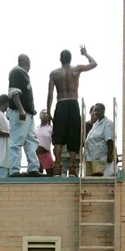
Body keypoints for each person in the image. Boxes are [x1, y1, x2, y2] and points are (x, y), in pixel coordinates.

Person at [47, 46, 96, 176]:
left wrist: (48, 111)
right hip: (73, 104)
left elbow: (50, 94)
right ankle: (72, 167)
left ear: (60, 59)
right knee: (73, 136)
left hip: (61, 104)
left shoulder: (54, 73)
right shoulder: (76, 69)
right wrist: (86, 54)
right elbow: (94, 64)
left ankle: (57, 166)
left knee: (58, 138)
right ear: (70, 59)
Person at [7, 54, 41, 176]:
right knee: (16, 141)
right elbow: (13, 92)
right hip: (20, 113)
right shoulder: (17, 72)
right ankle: (14, 170)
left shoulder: (22, 74)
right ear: (27, 63)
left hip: (28, 113)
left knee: (31, 140)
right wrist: (21, 109)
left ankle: (33, 168)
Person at [83, 103, 116, 177]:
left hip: (100, 158)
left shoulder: (107, 123)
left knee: (98, 179)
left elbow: (109, 140)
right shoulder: (96, 123)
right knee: (90, 179)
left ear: (103, 110)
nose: (96, 112)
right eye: (95, 111)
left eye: (98, 110)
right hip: (91, 157)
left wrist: (109, 156)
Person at [36, 109, 55, 176]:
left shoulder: (51, 128)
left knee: (50, 175)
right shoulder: (35, 128)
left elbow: (54, 142)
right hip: (36, 156)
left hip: (46, 155)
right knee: (37, 177)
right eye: (42, 113)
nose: (43, 114)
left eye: (46, 113)